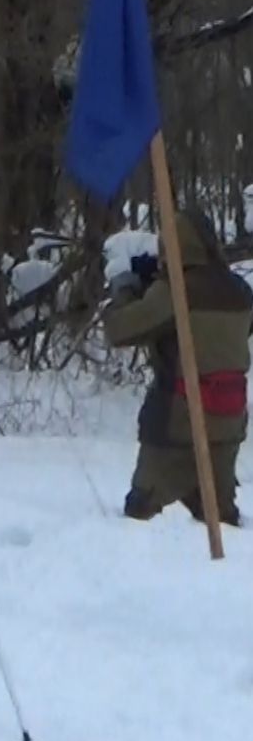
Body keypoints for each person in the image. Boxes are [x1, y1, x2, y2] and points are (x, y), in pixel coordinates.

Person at [104, 209, 253, 525]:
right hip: (228, 422)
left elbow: (120, 329)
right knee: (219, 518)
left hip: (178, 421)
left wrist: (126, 288)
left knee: (137, 517)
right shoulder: (240, 292)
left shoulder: (175, 292)